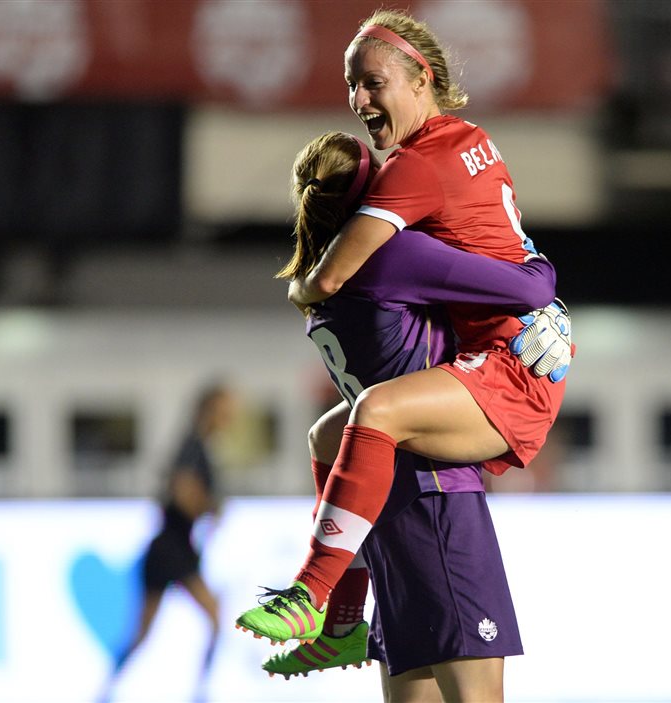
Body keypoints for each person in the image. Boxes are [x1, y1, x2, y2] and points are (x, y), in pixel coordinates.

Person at [235, 9, 572, 653]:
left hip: (505, 372)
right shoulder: (471, 138)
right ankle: (340, 622)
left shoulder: (408, 176)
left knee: (375, 410)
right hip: (519, 354)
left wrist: (299, 286)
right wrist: (544, 293)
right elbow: (515, 259)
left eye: (371, 82)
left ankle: (315, 595)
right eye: (352, 84)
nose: (359, 99)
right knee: (331, 430)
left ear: (420, 76)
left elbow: (327, 280)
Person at [258, 130, 558, 700]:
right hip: (437, 500)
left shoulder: (320, 283)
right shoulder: (394, 254)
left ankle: (342, 615)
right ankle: (317, 592)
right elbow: (530, 287)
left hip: (377, 519)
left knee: (328, 431)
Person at [97, 385, 233, 703]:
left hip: (172, 548)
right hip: (172, 551)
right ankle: (201, 693)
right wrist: (211, 506)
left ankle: (106, 689)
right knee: (212, 616)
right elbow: (184, 493)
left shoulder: (198, 446)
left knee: (145, 633)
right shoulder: (193, 445)